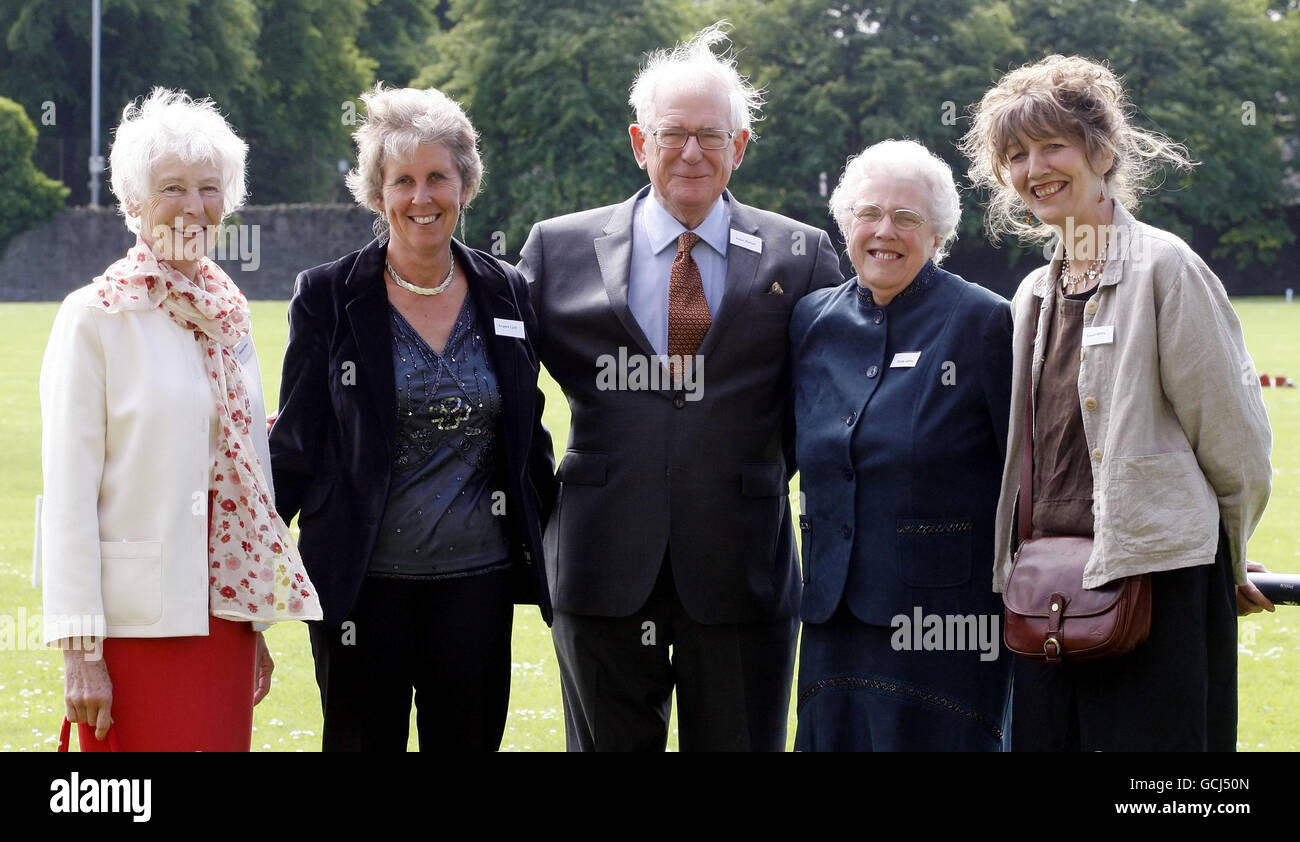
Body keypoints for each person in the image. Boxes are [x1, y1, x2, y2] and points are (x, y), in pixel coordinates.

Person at [518, 23, 843, 752]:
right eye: (673, 134)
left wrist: (749, 473)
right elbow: (504, 397)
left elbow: (825, 406)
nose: (691, 152)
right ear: (641, 143)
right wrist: (547, 505)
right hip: (599, 563)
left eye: (710, 135)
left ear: (740, 146)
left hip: (741, 567)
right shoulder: (558, 248)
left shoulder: (801, 254)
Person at [960, 54, 1274, 751]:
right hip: (1048, 587)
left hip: (1157, 585)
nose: (1034, 168)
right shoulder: (1032, 294)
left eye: (1052, 145)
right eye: (1016, 155)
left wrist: (1229, 554)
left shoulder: (1166, 268)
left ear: (1101, 152)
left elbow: (1235, 438)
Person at [270, 84, 556, 752]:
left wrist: (562, 546)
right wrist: (248, 576)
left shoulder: (507, 291)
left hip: (478, 588)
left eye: (438, 178)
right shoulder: (328, 296)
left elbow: (528, 437)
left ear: (465, 185)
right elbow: (296, 444)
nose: (421, 197)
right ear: (378, 193)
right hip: (360, 590)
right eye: (403, 180)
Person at [40, 88, 320, 752]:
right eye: (173, 187)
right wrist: (80, 650)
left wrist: (255, 623)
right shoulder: (95, 316)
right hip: (132, 630)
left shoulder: (230, 315)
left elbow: (250, 478)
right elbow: (69, 496)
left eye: (208, 188)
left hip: (225, 622)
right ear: (134, 201)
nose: (193, 206)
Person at [789, 140, 1013, 751]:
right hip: (833, 619)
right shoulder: (811, 322)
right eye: (869, 213)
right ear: (846, 225)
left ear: (938, 235)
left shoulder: (983, 321)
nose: (884, 231)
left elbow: (1029, 474)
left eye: (907, 217)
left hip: (946, 629)